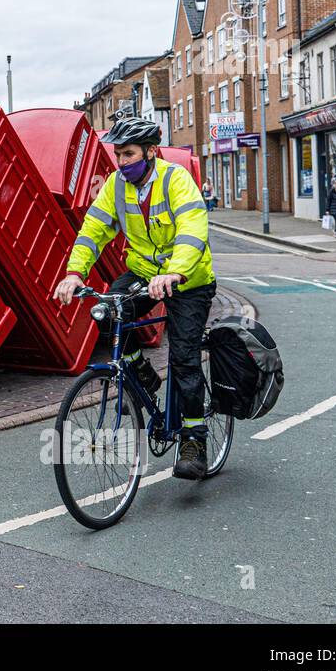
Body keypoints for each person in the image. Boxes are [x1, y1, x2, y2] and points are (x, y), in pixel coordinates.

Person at [54, 118, 217, 480]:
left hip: (188, 280)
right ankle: (138, 372)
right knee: (104, 311)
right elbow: (92, 230)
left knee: (185, 360)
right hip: (144, 274)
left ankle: (194, 439)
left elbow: (193, 227)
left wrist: (176, 271)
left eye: (128, 153)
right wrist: (73, 273)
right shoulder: (116, 186)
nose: (122, 161)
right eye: (117, 154)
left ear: (150, 152)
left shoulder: (175, 180)